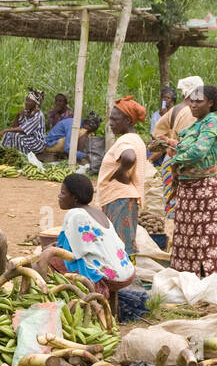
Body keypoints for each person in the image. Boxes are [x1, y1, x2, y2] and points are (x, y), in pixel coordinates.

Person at [165, 85, 217, 277]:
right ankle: (185, 279)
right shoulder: (195, 125)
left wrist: (174, 158)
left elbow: (198, 151)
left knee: (203, 239)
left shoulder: (213, 122)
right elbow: (185, 145)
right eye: (191, 100)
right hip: (188, 188)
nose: (193, 104)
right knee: (185, 237)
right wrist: (168, 143)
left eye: (199, 101)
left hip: (204, 190)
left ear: (211, 103)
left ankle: (205, 281)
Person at [52, 173, 135, 305]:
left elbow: (66, 251)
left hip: (109, 278)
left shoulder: (75, 214)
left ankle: (60, 299)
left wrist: (49, 251)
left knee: (52, 260)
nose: (59, 196)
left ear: (74, 198)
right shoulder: (98, 213)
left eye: (62, 193)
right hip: (126, 272)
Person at [96, 96, 151, 258]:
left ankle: (126, 281)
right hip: (123, 198)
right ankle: (127, 280)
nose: (111, 123)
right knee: (123, 246)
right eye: (110, 119)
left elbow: (128, 157)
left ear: (127, 120)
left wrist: (119, 176)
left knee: (118, 249)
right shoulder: (136, 139)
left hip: (119, 199)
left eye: (115, 119)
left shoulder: (125, 141)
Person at [150, 75, 203, 165]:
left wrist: (169, 141)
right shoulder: (190, 112)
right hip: (181, 163)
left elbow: (157, 133)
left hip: (169, 159)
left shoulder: (174, 109)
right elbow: (188, 144)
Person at [1, 88, 47, 156]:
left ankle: (24, 157)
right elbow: (15, 127)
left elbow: (23, 130)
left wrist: (6, 130)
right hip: (29, 139)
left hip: (38, 142)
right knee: (9, 134)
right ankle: (4, 154)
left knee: (17, 136)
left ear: (35, 103)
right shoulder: (27, 113)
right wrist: (17, 115)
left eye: (29, 101)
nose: (26, 103)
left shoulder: (38, 115)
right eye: (26, 100)